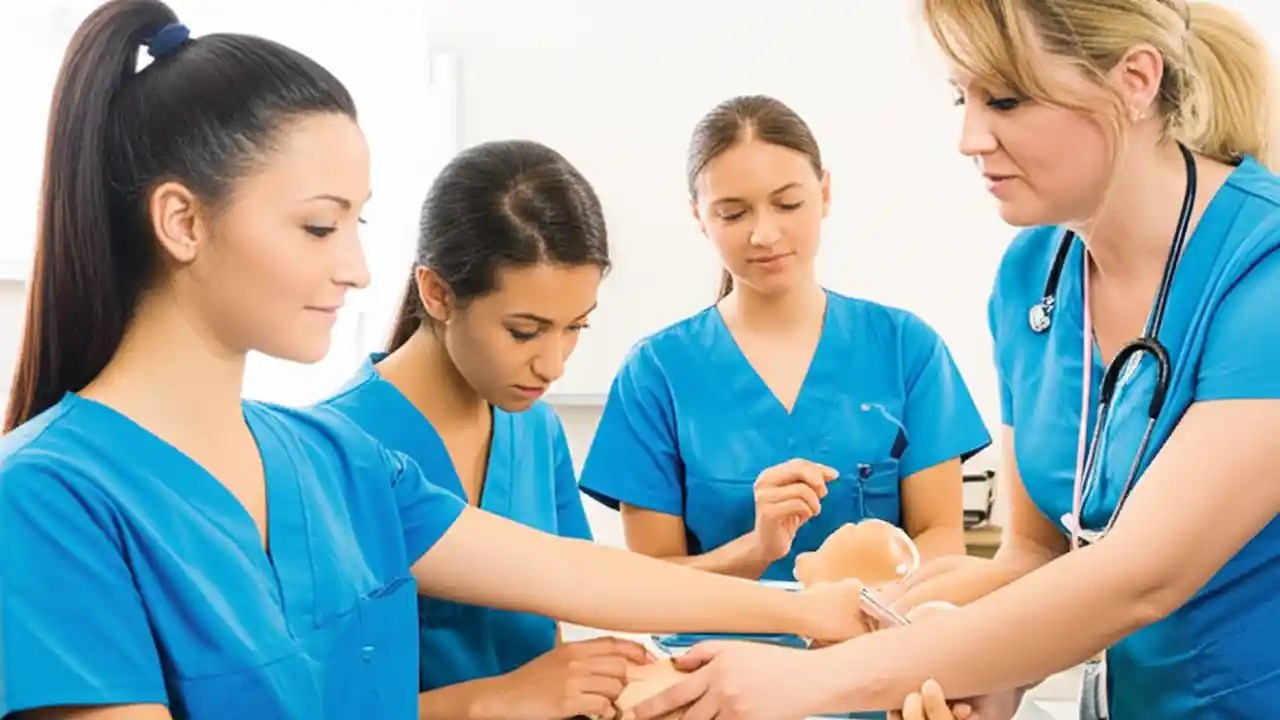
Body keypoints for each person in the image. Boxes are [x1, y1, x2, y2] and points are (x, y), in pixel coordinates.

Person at [0, 3, 875, 719]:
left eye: (358, 223)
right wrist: (485, 707)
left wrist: (807, 610)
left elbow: (572, 572)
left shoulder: (331, 463)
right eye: (318, 225)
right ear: (183, 222)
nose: (356, 267)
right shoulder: (50, 499)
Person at [622, 1, 1280, 719]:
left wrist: (820, 680)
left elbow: (1143, 575)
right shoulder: (1035, 279)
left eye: (1005, 98)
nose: (969, 138)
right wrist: (993, 678)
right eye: (961, 98)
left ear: (1135, 80)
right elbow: (1037, 554)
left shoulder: (1262, 266)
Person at [578, 94, 991, 584]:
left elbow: (940, 541)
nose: (765, 235)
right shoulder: (656, 374)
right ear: (698, 217)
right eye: (733, 214)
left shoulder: (907, 350)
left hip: (874, 652)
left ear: (826, 193)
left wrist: (865, 615)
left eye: (788, 203)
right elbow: (651, 581)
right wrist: (757, 548)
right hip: (719, 654)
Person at [319, 138, 631, 718]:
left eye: (575, 328)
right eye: (524, 331)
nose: (554, 364)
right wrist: (495, 701)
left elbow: (570, 596)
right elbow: (317, 701)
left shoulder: (536, 429)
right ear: (436, 292)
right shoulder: (331, 450)